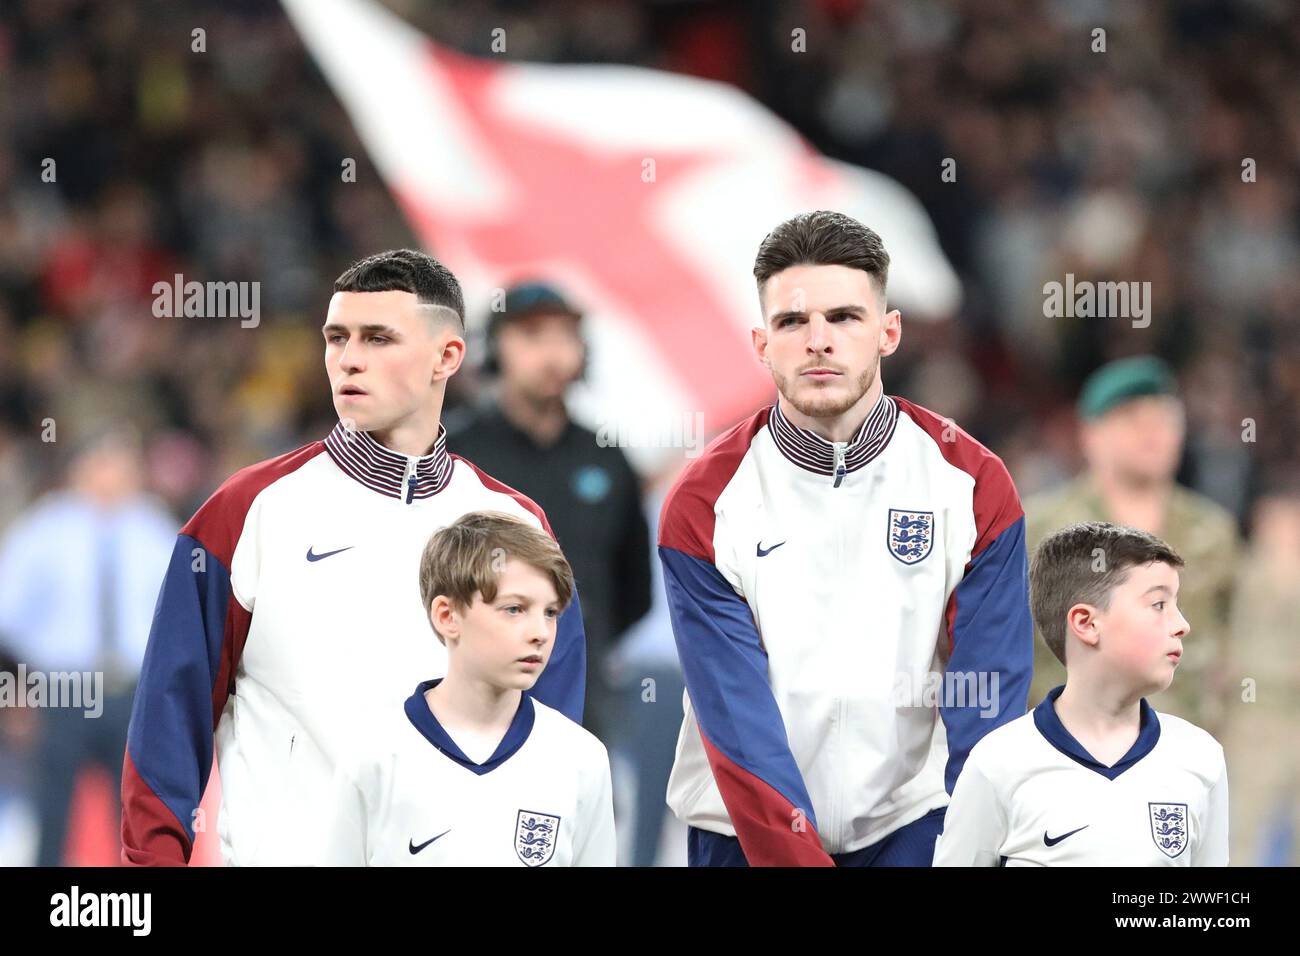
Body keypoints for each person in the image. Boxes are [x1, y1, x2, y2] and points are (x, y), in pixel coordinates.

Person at [121, 250, 587, 866]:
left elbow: (549, 744)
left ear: (448, 357)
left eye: (379, 338)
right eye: (336, 337)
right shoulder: (246, 512)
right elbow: (167, 719)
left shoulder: (518, 526)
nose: (349, 358)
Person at [658, 210, 1033, 867]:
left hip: (917, 830)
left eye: (844, 318)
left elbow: (987, 696)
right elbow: (735, 715)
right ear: (760, 342)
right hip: (744, 838)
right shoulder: (703, 501)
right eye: (792, 322)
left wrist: (975, 849)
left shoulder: (972, 483)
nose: (818, 341)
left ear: (888, 331)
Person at [318, 512, 615, 866]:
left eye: (550, 612)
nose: (541, 631)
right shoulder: (374, 752)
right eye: (515, 609)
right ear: (447, 616)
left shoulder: (581, 758)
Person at [933, 522, 1229, 866]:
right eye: (1159, 604)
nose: (1182, 624)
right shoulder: (997, 763)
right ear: (1087, 624)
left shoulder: (1201, 758)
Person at [446, 281, 651, 747]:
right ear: (495, 345)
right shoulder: (454, 453)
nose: (552, 353)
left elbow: (634, 589)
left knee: (581, 814)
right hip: (468, 696)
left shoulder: (606, 458)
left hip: (581, 697)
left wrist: (576, 641)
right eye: (532, 335)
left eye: (564, 335)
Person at [1023, 356, 1241, 735]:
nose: (1152, 432)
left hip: (1183, 749)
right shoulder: (1041, 529)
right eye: (1132, 419)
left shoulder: (1213, 531)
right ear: (1090, 435)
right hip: (1069, 750)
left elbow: (1236, 646)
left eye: (1164, 420)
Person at [0, 427, 175, 865]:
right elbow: (8, 613)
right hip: (63, 688)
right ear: (81, 469)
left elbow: (182, 615)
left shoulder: (155, 529)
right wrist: (18, 686)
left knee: (138, 816)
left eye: (124, 463)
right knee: (52, 811)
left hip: (135, 692)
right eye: (105, 461)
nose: (115, 474)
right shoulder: (44, 529)